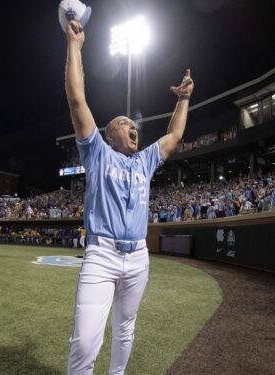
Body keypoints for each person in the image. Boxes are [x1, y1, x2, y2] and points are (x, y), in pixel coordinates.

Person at [64, 20, 194, 375]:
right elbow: (77, 100)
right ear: (109, 135)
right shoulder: (97, 153)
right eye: (125, 123)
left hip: (138, 257)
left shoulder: (144, 160)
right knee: (86, 339)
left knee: (124, 329)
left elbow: (175, 135)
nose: (132, 125)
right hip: (101, 256)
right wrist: (75, 46)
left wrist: (183, 98)